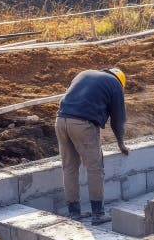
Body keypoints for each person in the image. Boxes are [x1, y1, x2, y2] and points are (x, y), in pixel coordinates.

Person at [55, 68, 129, 224]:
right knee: (94, 168)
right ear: (120, 81)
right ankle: (98, 214)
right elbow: (118, 120)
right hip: (82, 124)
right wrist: (121, 143)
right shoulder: (115, 84)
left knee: (69, 167)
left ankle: (74, 213)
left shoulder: (84, 73)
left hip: (61, 121)